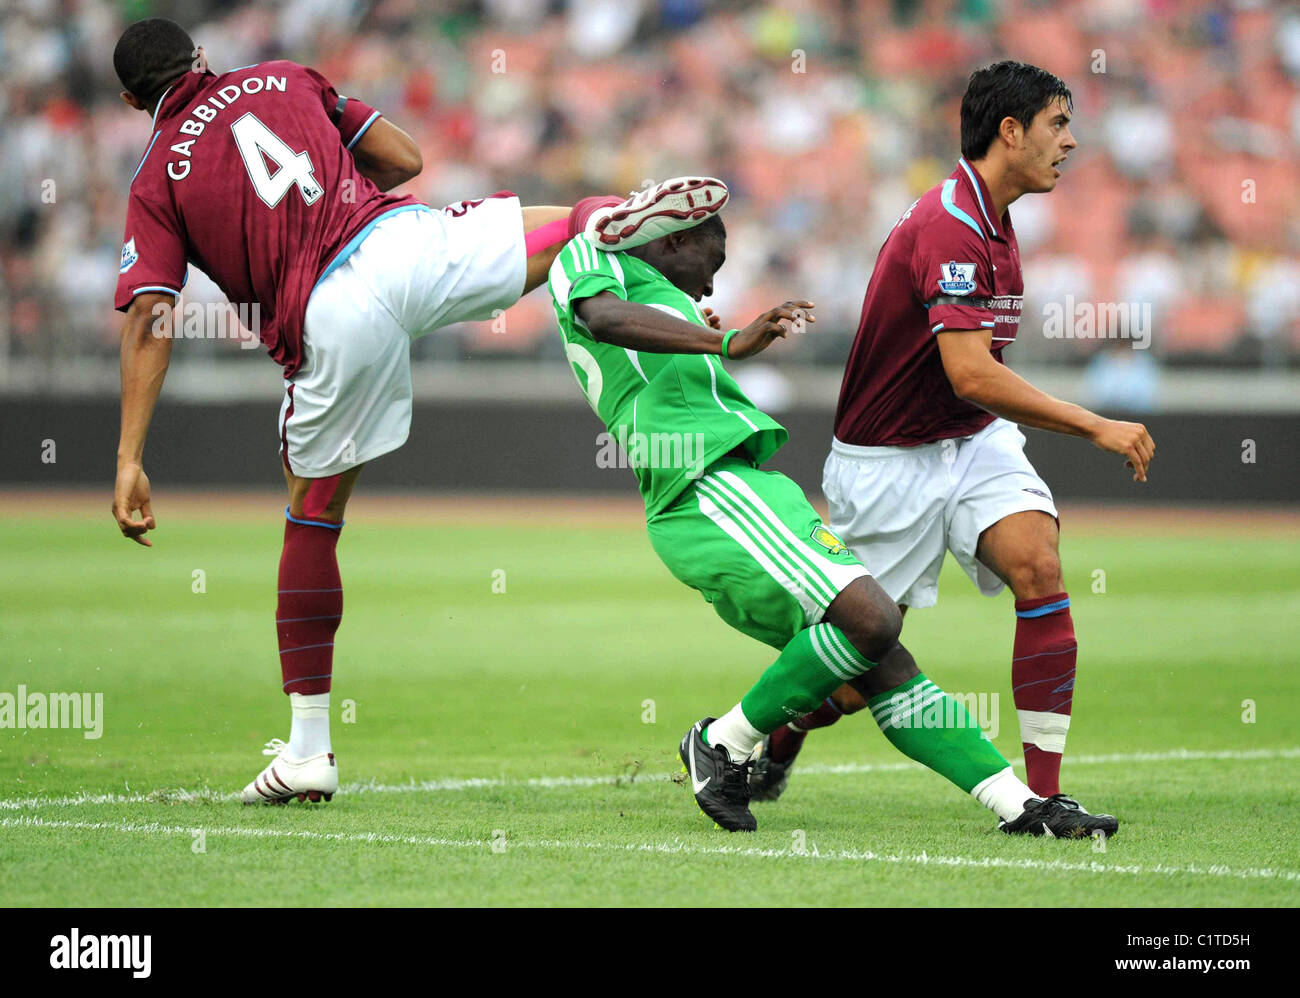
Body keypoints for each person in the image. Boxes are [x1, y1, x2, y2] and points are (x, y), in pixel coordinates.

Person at [108, 16, 722, 803]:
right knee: (574, 225)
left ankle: (307, 751)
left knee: (314, 518)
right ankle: (665, 280)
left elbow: (150, 317)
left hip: (327, 318)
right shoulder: (288, 76)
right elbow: (405, 158)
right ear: (200, 59)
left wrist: (129, 457)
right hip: (401, 241)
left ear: (132, 99)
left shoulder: (157, 177)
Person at [547, 199, 1118, 838]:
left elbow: (641, 323)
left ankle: (1022, 808)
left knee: (878, 659)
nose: (711, 286)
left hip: (743, 487)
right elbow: (602, 312)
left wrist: (698, 325)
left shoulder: (653, 292)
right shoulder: (587, 256)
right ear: (671, 239)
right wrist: (724, 339)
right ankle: (723, 741)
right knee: (872, 620)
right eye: (711, 264)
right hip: (706, 488)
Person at [751, 62, 1153, 821]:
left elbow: (974, 385)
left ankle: (1043, 793)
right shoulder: (949, 226)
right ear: (1011, 131)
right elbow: (971, 373)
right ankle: (771, 734)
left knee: (1039, 565)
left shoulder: (998, 222)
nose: (1070, 141)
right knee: (849, 667)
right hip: (888, 464)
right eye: (1058, 124)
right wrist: (1094, 421)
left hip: (971, 444)